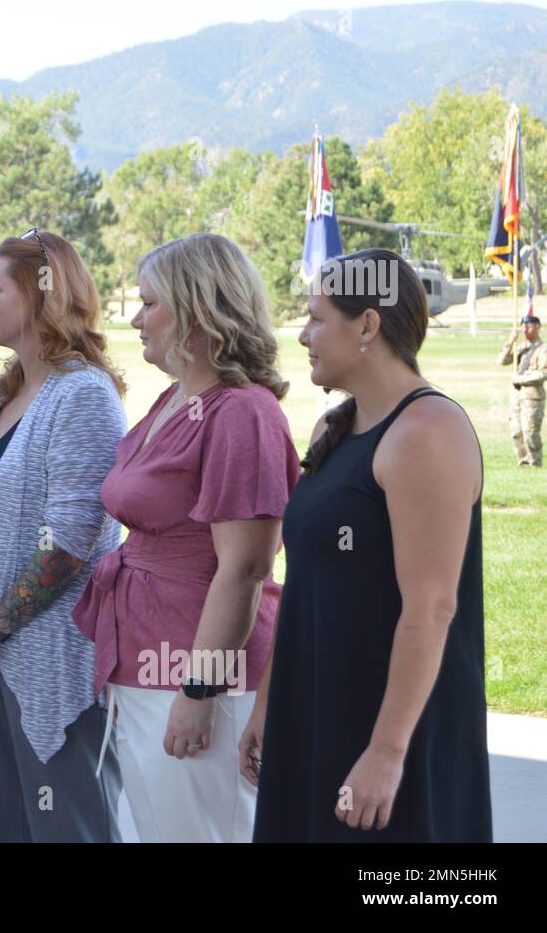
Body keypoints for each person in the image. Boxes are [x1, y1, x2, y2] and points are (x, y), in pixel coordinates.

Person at [248, 249, 492, 841]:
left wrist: (385, 752)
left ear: (367, 325)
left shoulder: (427, 431)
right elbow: (305, 580)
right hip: (315, 709)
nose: (302, 335)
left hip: (395, 727)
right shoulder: (336, 428)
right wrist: (267, 706)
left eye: (315, 318)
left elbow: (431, 609)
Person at [71, 232, 299, 843]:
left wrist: (198, 690)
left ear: (197, 311)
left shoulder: (240, 412)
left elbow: (246, 569)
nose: (135, 319)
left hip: (193, 665)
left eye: (150, 304)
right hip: (145, 652)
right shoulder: (177, 398)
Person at [0, 229, 127, 843]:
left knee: (67, 826)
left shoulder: (85, 395)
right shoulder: (2, 392)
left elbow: (69, 541)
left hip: (52, 657)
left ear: (43, 296)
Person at [498, 313, 544, 467]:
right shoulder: (521, 347)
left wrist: (521, 379)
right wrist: (510, 342)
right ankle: (523, 460)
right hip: (516, 396)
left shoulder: (543, 350)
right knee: (516, 432)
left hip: (532, 396)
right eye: (523, 326)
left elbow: (544, 373)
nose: (524, 330)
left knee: (530, 431)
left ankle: (535, 462)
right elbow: (502, 361)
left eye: (528, 326)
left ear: (537, 328)